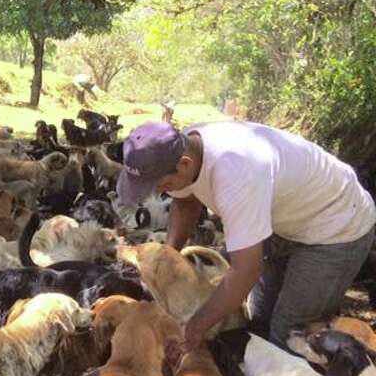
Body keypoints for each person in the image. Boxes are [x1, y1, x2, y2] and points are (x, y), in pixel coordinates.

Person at [117, 121, 376, 349]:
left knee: (289, 333)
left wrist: (195, 328)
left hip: (336, 227)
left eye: (161, 185)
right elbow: (185, 201)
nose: (160, 192)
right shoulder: (180, 148)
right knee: (259, 320)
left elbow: (245, 271)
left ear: (184, 165)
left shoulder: (234, 173)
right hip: (284, 222)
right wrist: (167, 256)